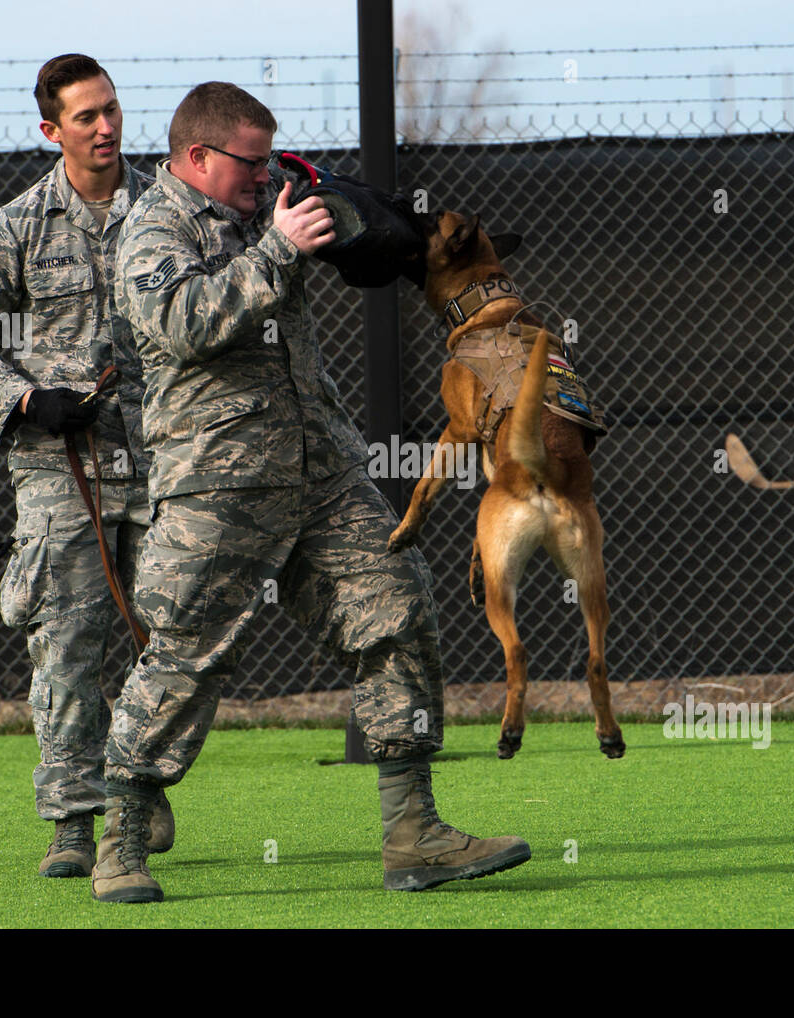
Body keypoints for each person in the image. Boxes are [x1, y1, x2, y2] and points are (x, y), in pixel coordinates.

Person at [94, 81, 531, 904]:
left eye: (269, 161)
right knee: (186, 650)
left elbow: (367, 242)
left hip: (321, 470)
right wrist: (278, 250)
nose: (264, 177)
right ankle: (121, 836)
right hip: (218, 478)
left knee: (394, 605)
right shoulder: (153, 226)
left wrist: (387, 232)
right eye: (249, 164)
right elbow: (185, 321)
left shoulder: (271, 208)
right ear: (197, 158)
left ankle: (415, 833)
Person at [0, 53, 172, 879]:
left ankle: (137, 784)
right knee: (67, 645)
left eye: (111, 110)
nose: (105, 127)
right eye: (84, 118)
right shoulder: (19, 224)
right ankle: (75, 819)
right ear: (51, 130)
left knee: (172, 639)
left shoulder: (168, 209)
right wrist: (26, 402)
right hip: (62, 464)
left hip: (167, 458)